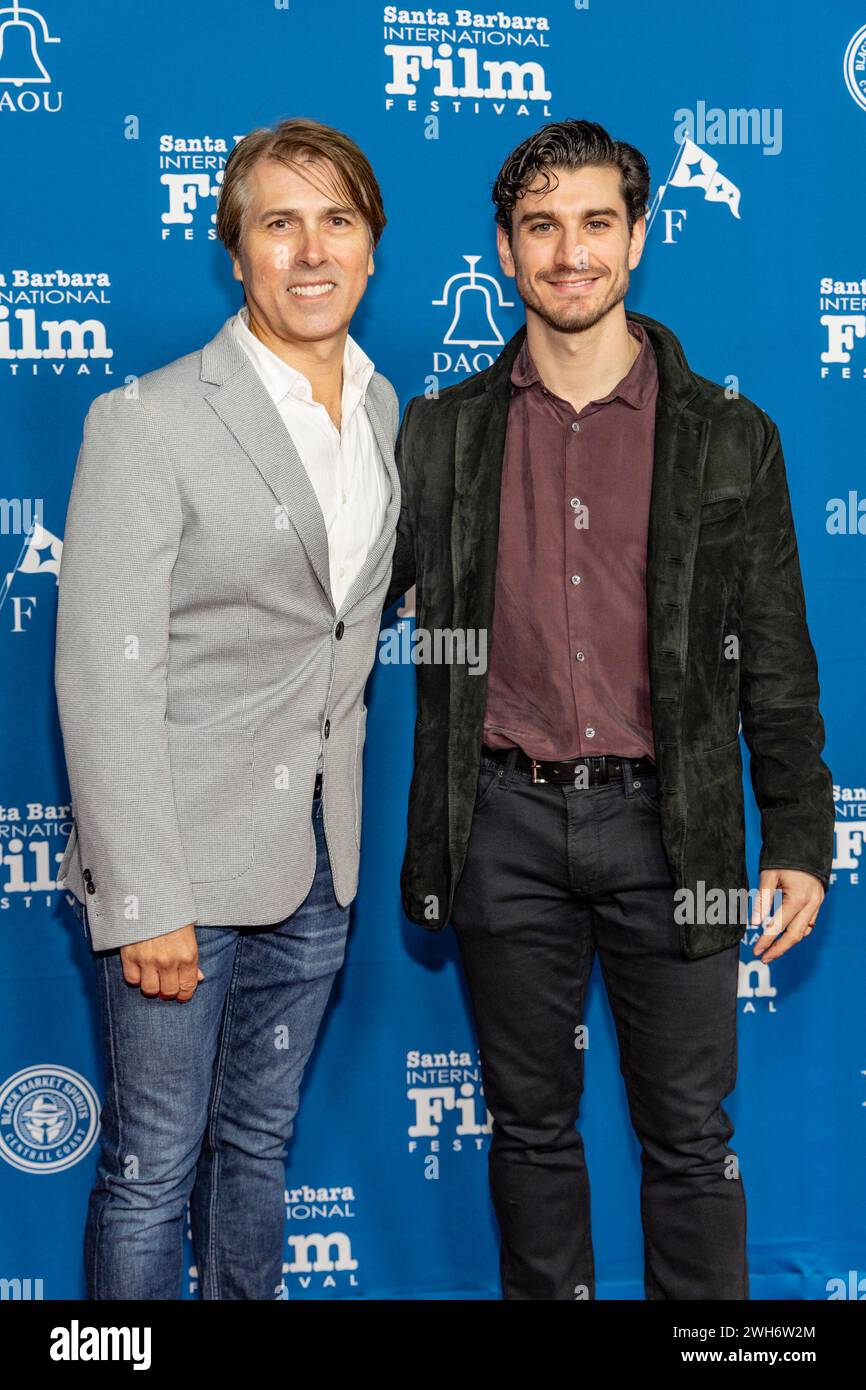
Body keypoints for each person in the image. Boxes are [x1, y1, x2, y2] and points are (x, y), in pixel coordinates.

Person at [385, 118, 834, 1300]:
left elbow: (775, 661)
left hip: (667, 826)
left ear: (637, 237)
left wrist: (795, 833)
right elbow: (325, 605)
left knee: (688, 1137)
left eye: (594, 224)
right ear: (504, 247)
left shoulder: (729, 440)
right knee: (528, 1136)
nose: (567, 252)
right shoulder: (438, 437)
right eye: (541, 227)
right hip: (500, 829)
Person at [54, 117, 399, 1300]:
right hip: (180, 873)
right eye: (278, 223)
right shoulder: (145, 418)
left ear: (371, 246)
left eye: (336, 221)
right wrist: (141, 891)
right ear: (235, 252)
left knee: (256, 1151)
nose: (310, 251)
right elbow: (103, 673)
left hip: (318, 860)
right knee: (152, 1174)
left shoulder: (380, 410)